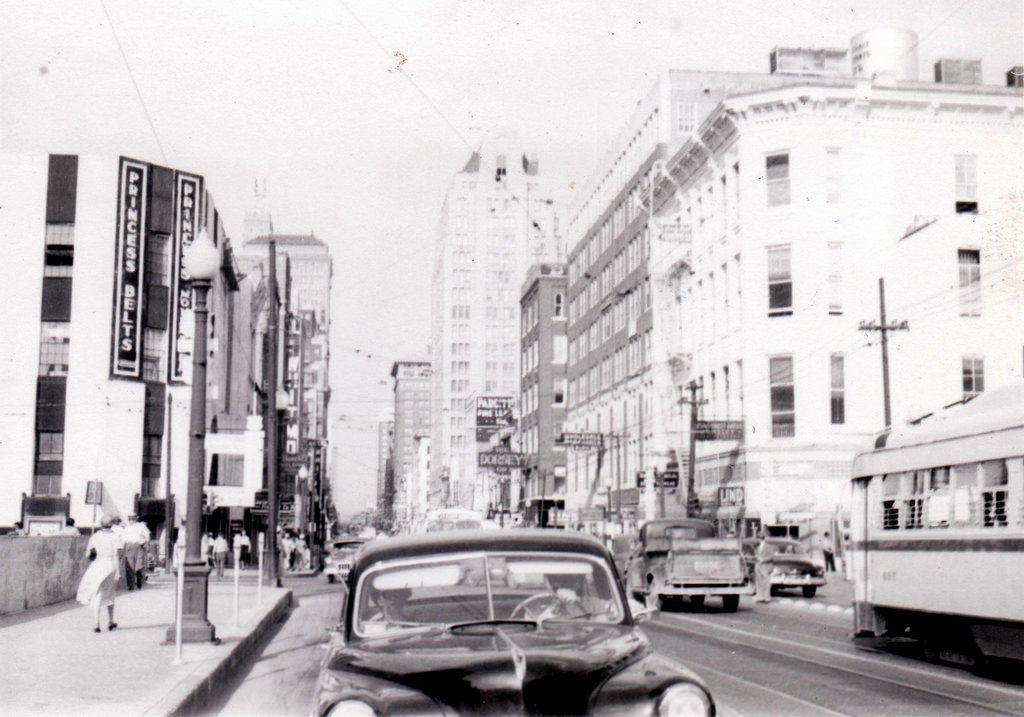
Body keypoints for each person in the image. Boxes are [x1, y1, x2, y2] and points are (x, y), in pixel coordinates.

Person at [76, 516, 123, 632]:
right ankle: (111, 621)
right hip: (109, 564)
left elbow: (88, 554)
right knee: (110, 593)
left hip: (97, 565)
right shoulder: (115, 536)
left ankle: (96, 624)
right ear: (112, 524)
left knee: (97, 594)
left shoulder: (95, 536)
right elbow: (116, 555)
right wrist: (118, 571)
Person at [122, 516, 150, 590]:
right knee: (134, 565)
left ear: (135, 519)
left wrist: (146, 543)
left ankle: (136, 582)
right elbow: (123, 538)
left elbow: (147, 535)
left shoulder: (138, 526)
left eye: (132, 519)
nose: (131, 521)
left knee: (135, 565)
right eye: (130, 519)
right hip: (133, 545)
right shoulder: (129, 527)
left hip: (136, 545)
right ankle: (134, 583)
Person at [754, 534, 775, 604]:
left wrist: (763, 559)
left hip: (766, 566)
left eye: (758, 538)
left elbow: (771, 557)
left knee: (766, 582)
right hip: (758, 565)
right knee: (759, 581)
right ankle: (760, 596)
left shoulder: (768, 546)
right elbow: (756, 555)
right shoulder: (757, 547)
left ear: (761, 539)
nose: (757, 540)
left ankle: (766, 597)